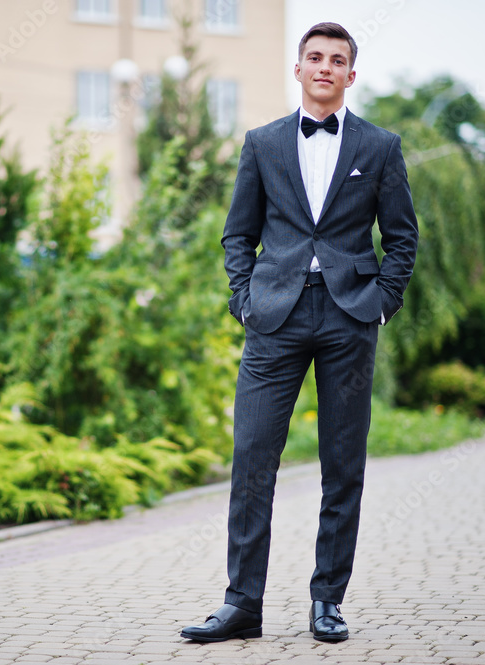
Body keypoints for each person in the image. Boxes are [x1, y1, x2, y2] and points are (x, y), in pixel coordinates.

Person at [181, 21, 419, 643]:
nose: (324, 67)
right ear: (298, 69)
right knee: (252, 459)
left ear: (350, 75)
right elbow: (238, 232)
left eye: (336, 60)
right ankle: (242, 605)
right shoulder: (261, 144)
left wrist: (382, 304)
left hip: (349, 316)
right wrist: (243, 300)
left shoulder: (380, 147)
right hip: (274, 318)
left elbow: (402, 237)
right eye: (314, 57)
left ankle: (327, 601)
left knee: (343, 465)